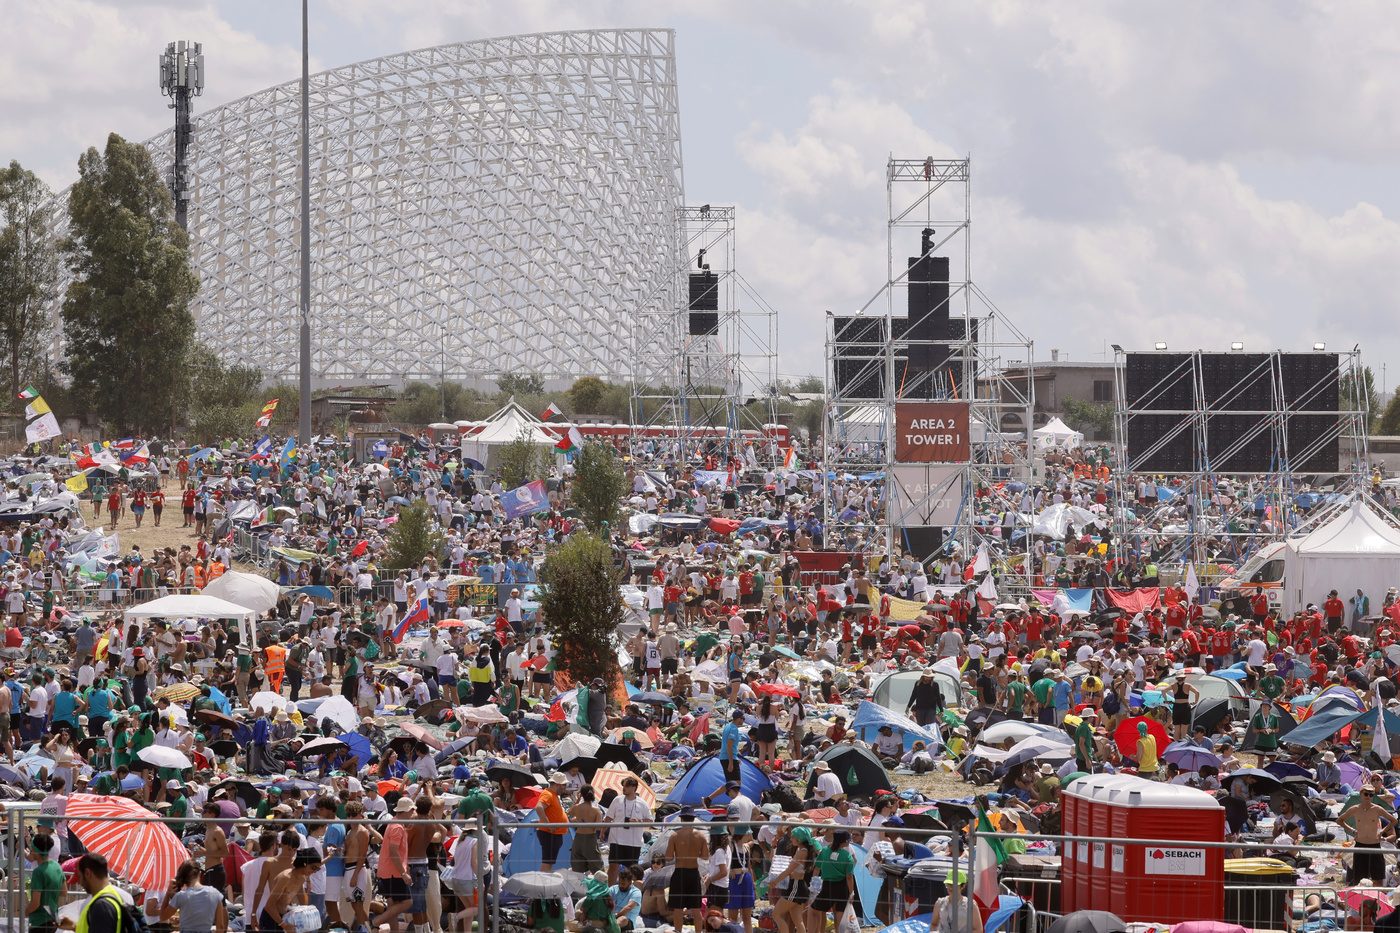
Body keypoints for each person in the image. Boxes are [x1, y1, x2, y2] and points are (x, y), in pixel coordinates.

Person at [1339, 786, 1396, 884]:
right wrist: (1352, 830)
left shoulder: (1377, 809)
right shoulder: (1355, 809)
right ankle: (1360, 897)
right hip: (1360, 845)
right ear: (1361, 794)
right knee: (1359, 878)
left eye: (1371, 794)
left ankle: (1377, 897)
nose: (1368, 797)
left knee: (1378, 877)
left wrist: (1382, 831)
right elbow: (1339, 820)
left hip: (1375, 846)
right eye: (1366, 794)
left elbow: (1393, 820)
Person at [666, 806, 709, 932]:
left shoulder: (674, 835)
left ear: (681, 819)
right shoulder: (700, 836)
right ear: (693, 819)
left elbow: (668, 857)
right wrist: (695, 853)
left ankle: (678, 931)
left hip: (679, 872)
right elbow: (705, 856)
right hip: (693, 872)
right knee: (696, 908)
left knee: (678, 909)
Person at [161, 859, 229, 933]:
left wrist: (168, 893)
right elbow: (221, 927)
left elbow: (162, 917)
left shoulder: (180, 896)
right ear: (199, 873)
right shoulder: (215, 893)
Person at [811, 830, 856, 933]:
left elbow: (817, 868)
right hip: (841, 887)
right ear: (844, 841)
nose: (849, 841)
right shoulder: (847, 856)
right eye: (848, 839)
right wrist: (852, 892)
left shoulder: (824, 851)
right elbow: (849, 877)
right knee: (839, 913)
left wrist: (814, 885)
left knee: (819, 911)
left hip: (827, 885)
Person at [26, 833, 65, 933]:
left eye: (32, 849)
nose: (30, 851)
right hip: (53, 918)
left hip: (39, 923)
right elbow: (64, 892)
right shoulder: (57, 867)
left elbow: (35, 903)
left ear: (37, 852)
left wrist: (25, 912)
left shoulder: (38, 872)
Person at [931, 869, 982, 933]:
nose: (950, 887)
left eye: (953, 885)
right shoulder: (939, 903)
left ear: (963, 886)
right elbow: (934, 924)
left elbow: (978, 930)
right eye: (948, 884)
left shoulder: (971, 905)